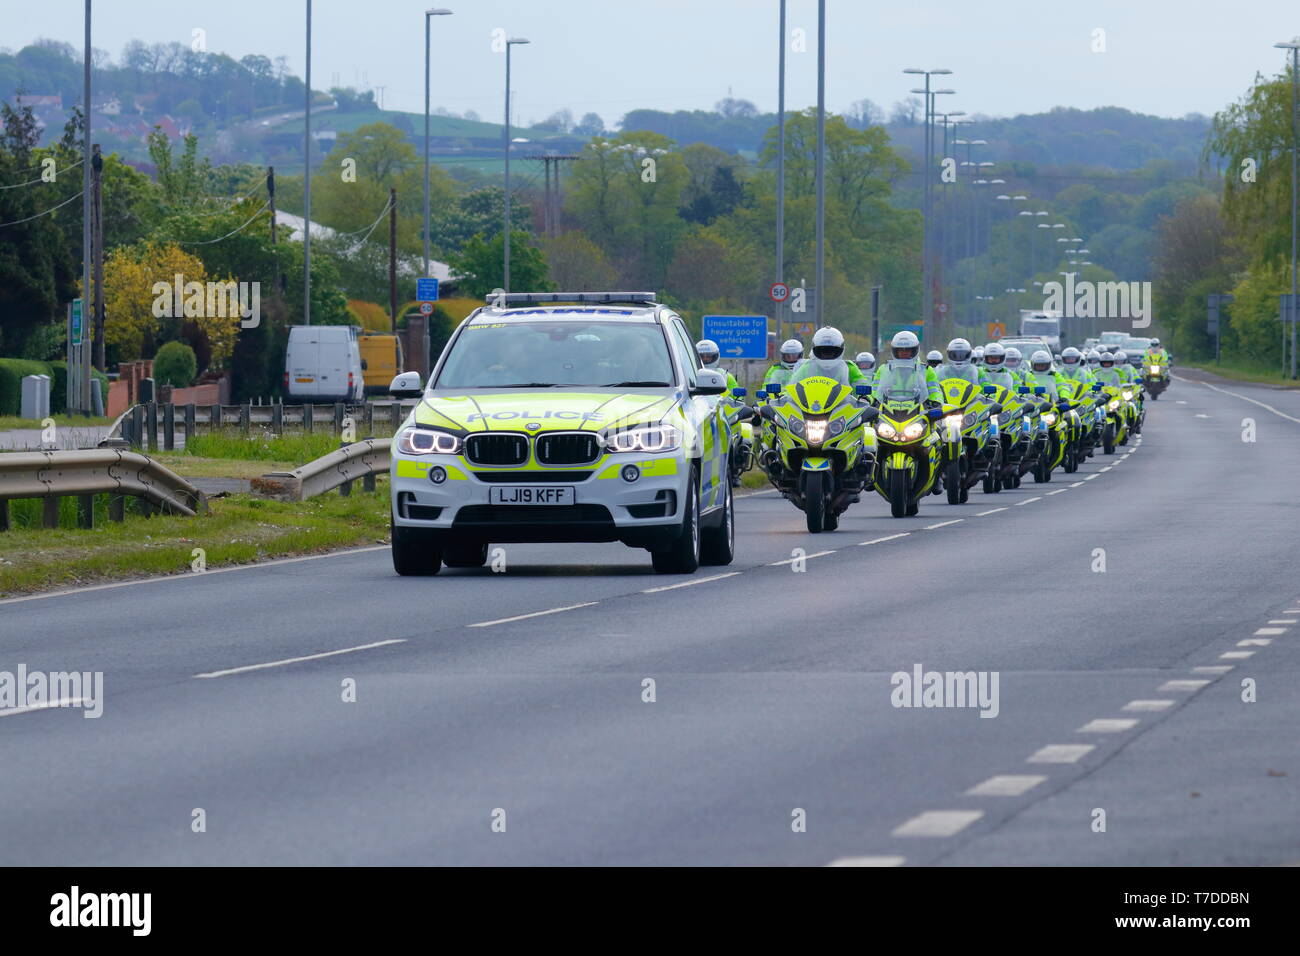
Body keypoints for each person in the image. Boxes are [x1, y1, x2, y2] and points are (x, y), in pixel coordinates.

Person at [873, 330, 942, 404]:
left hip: (919, 410)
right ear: (895, 351)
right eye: (901, 350)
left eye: (908, 350)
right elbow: (874, 391)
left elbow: (935, 391)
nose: (904, 353)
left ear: (915, 350)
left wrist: (936, 402)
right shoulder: (884, 369)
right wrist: (870, 400)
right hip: (888, 410)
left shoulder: (926, 370)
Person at [790, 327, 865, 385]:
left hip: (843, 405)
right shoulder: (807, 367)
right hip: (811, 405)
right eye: (823, 350)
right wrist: (783, 396)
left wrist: (865, 398)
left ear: (840, 349)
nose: (827, 354)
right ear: (815, 349)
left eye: (831, 351)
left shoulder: (850, 368)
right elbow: (791, 387)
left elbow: (863, 386)